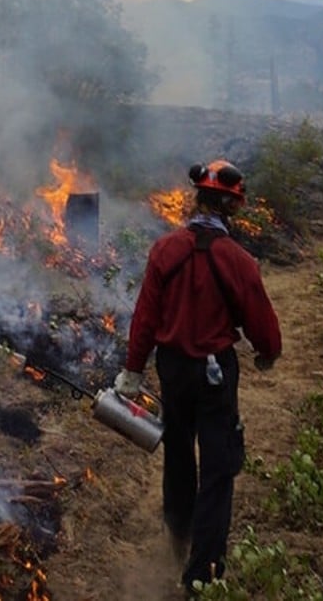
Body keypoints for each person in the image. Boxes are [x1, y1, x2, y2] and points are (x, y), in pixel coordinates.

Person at [114, 159, 282, 595]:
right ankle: (202, 574)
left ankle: (178, 535)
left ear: (197, 199)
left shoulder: (165, 249)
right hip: (214, 375)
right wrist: (267, 353)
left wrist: (132, 372)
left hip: (172, 370)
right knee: (219, 467)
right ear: (232, 205)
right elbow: (262, 324)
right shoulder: (239, 261)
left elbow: (145, 318)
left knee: (179, 455)